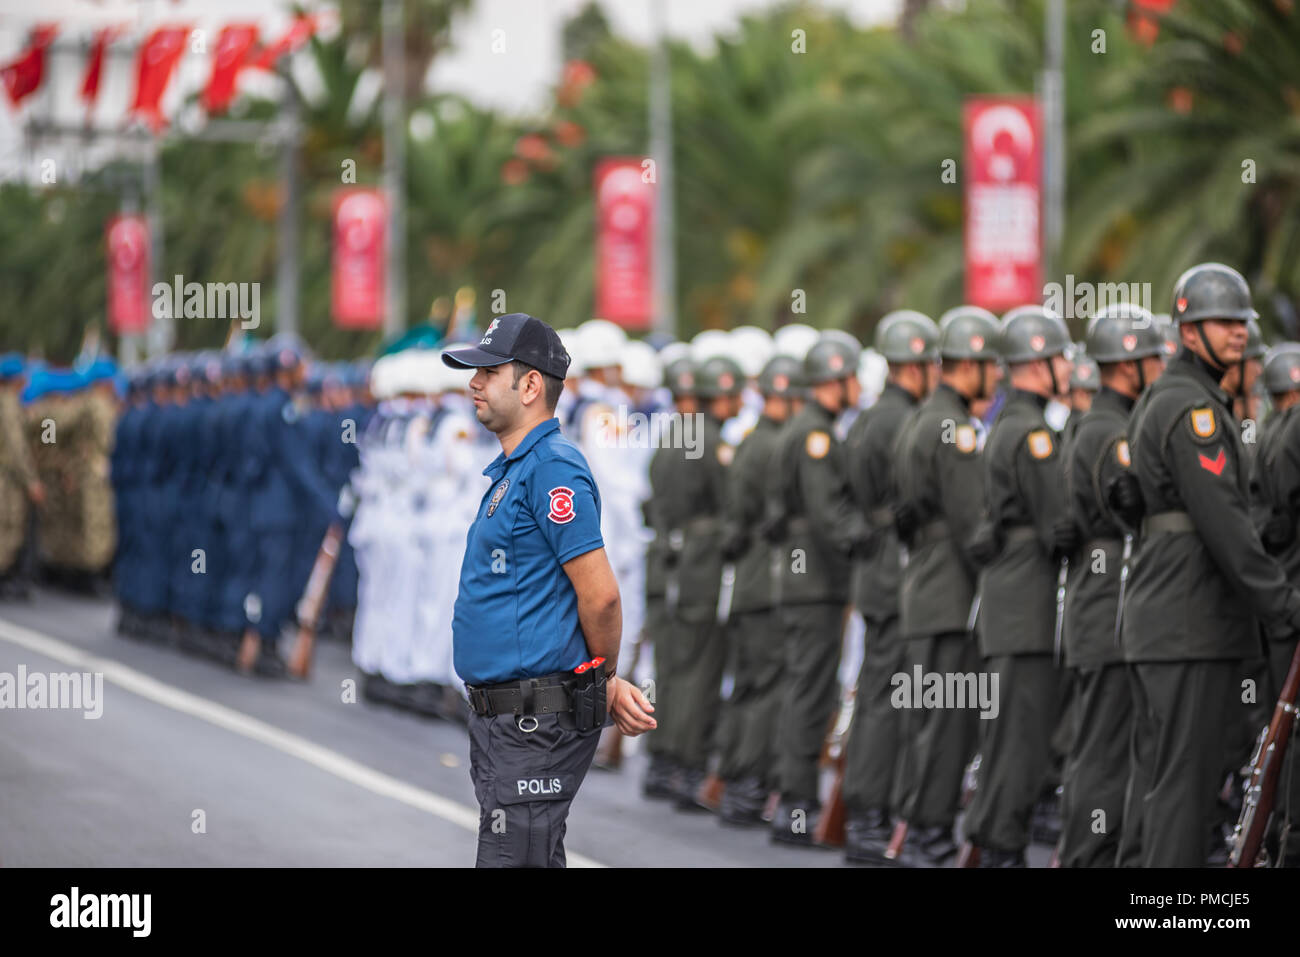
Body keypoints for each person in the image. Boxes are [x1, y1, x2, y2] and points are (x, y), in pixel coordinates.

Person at [441, 312, 655, 867]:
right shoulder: (519, 467)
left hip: (534, 720)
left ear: (531, 385)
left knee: (514, 857)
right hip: (507, 719)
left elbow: (601, 594)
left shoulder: (553, 470)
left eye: (490, 371)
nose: (474, 383)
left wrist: (601, 681)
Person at [1116, 262, 1300, 867]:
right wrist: (1284, 605)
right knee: (1184, 791)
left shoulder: (1167, 397)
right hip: (1187, 622)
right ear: (1189, 330)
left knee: (1161, 782)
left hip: (1168, 619)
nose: (1239, 333)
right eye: (1222, 322)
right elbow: (1225, 526)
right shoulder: (1191, 409)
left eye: (1241, 322)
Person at [960, 304, 1075, 868]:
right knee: (1018, 740)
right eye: (1059, 358)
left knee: (1004, 734)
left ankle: (993, 840)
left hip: (1007, 600)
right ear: (1036, 365)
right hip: (1025, 604)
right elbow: (1059, 525)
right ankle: (1001, 847)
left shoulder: (1002, 424)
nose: (1068, 369)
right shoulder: (1032, 433)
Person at [887, 306, 1001, 867]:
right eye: (992, 365)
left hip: (928, 588)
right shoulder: (951, 425)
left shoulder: (923, 416)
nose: (999, 376)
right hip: (949, 594)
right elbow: (970, 521)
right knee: (946, 725)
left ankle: (921, 829)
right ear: (971, 364)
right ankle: (928, 834)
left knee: (929, 720)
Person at [1056, 304, 1166, 867]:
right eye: (1151, 356)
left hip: (1096, 601)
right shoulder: (1110, 430)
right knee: (1103, 751)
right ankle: (1088, 859)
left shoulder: (1093, 423)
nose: (1160, 365)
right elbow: (1125, 517)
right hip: (1107, 605)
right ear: (1127, 365)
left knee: (1097, 746)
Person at [841, 310, 940, 864]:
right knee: (889, 698)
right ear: (919, 365)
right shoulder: (903, 421)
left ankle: (867, 814)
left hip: (875, 565)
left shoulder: (868, 418)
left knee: (879, 691)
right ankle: (872, 815)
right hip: (897, 568)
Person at [766, 330, 870, 845]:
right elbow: (830, 516)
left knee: (805, 687)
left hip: (802, 577)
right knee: (810, 691)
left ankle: (793, 801)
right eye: (852, 377)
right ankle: (797, 806)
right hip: (816, 582)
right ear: (838, 380)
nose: (858, 386)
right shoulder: (817, 436)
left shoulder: (809, 428)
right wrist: (867, 542)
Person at [715, 352, 804, 825]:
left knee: (749, 685)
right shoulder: (779, 445)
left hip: (749, 578)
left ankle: (735, 783)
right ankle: (749, 787)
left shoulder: (752, 442)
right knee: (768, 686)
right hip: (767, 580)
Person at [1252, 342, 1300, 867]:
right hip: (1292, 592)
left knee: (1278, 719)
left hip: (1277, 593)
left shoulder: (1266, 433)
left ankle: (1276, 837)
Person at [0, 355, 43, 598]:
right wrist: (31, 481)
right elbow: (16, 448)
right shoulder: (8, 405)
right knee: (7, 530)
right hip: (7, 479)